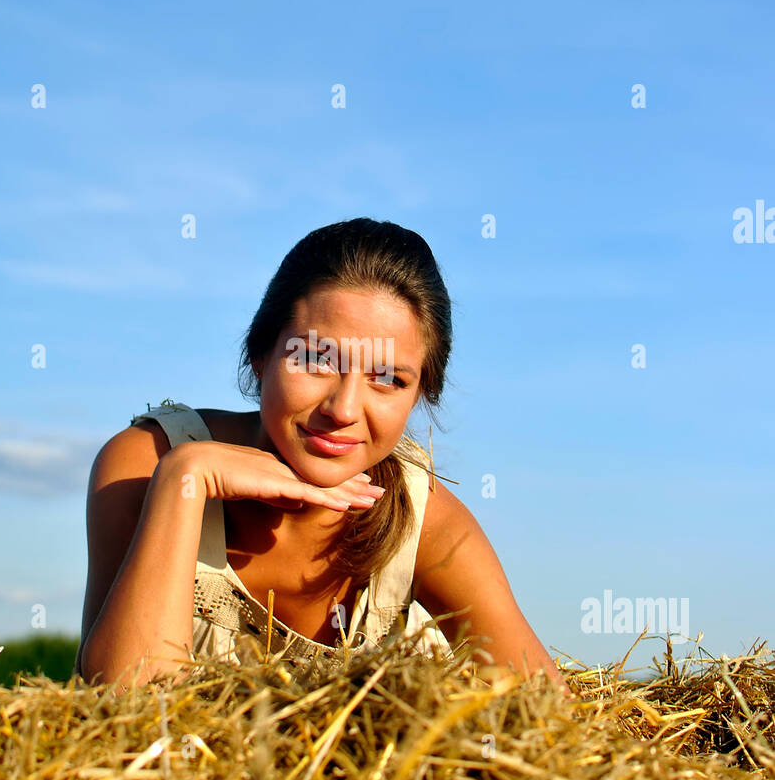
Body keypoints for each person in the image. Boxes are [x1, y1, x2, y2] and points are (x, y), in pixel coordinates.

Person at [76, 219, 570, 695]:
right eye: (315, 360)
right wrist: (185, 478)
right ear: (260, 354)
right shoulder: (147, 463)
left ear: (420, 392)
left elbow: (550, 718)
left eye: (388, 379)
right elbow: (120, 711)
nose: (344, 409)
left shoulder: (425, 519)